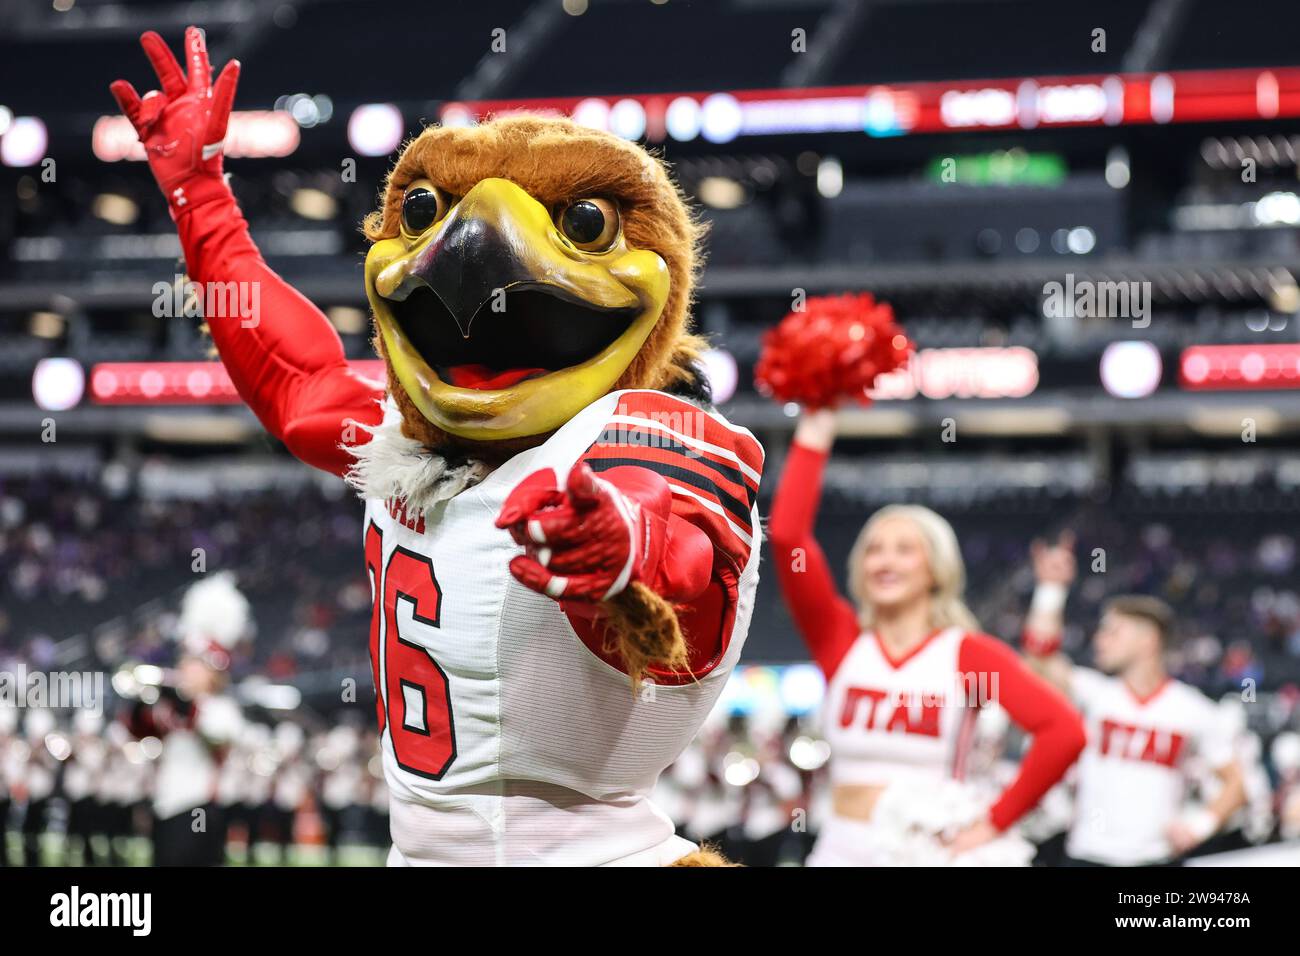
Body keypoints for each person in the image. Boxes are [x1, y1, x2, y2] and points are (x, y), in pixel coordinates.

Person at [108, 27, 763, 866]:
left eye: (587, 223)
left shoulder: (647, 430)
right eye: (422, 213)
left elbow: (673, 544)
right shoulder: (405, 437)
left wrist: (617, 544)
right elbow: (291, 377)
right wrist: (200, 194)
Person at [768, 409, 1086, 865]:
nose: (884, 561)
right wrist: (817, 425)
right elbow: (787, 538)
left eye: (904, 549)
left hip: (930, 852)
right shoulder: (841, 642)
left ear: (936, 567)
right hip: (840, 845)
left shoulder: (966, 655)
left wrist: (995, 822)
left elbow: (1064, 731)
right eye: (873, 549)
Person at [1021, 533, 1247, 865]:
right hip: (1087, 856)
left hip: (1155, 860)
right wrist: (1050, 591)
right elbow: (1039, 661)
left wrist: (1199, 825)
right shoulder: (1095, 693)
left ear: (1148, 640)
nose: (1099, 640)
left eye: (1113, 631)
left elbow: (1235, 786)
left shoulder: (1193, 709)